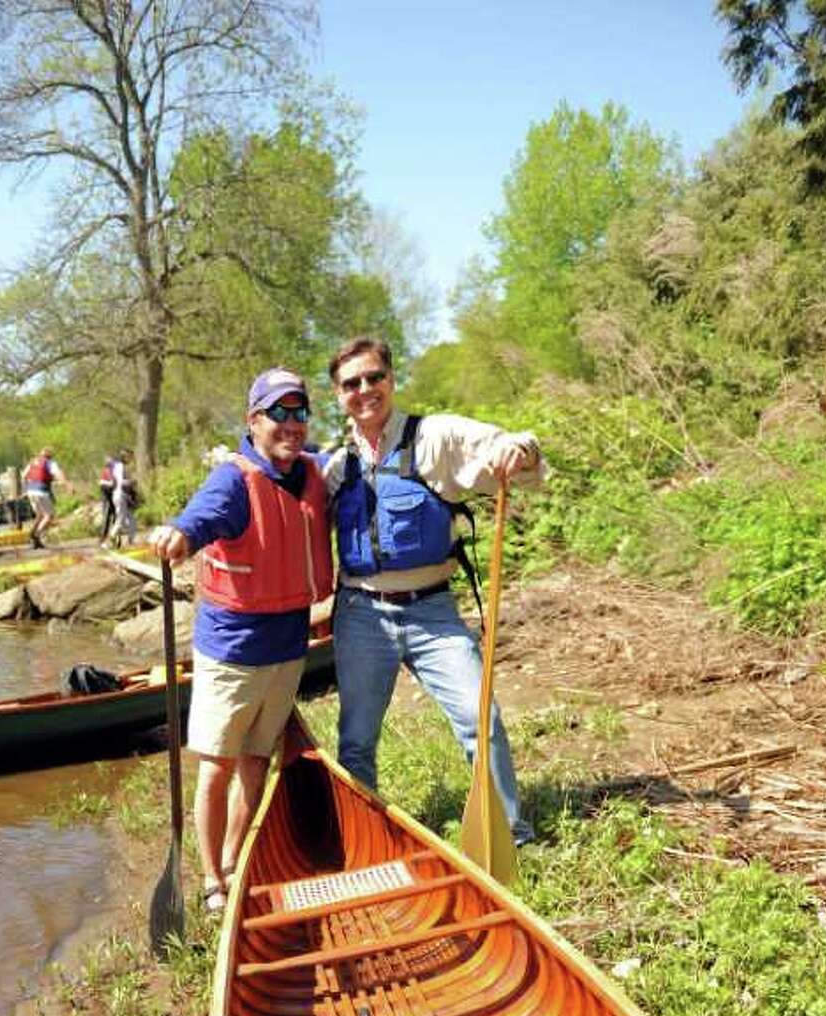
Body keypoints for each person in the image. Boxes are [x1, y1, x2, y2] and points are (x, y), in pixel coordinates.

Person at [322, 335, 543, 844]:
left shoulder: (436, 437)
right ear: (338, 395)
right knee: (355, 740)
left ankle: (510, 835)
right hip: (361, 614)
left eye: (375, 377)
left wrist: (520, 448)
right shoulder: (336, 468)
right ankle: (363, 838)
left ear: (392, 379)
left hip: (433, 613)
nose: (365, 389)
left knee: (480, 719)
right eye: (351, 383)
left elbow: (513, 450)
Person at [150, 368, 333, 914]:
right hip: (232, 651)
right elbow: (199, 519)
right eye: (278, 412)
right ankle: (210, 879)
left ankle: (233, 858)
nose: (291, 424)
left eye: (299, 413)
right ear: (253, 421)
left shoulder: (312, 472)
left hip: (288, 644)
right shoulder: (233, 480)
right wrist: (177, 534)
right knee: (217, 766)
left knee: (257, 759)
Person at [21, 446, 68, 549]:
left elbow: (24, 475)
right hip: (41, 492)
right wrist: (66, 484)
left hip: (31, 491)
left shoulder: (32, 462)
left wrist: (25, 490)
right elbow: (58, 473)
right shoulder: (49, 463)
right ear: (50, 456)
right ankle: (36, 535)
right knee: (49, 516)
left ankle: (32, 535)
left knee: (40, 515)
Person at [109, 452, 138, 548]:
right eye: (129, 457)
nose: (131, 459)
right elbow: (121, 482)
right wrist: (132, 481)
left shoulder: (121, 467)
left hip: (124, 495)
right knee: (121, 519)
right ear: (125, 457)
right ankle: (113, 535)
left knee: (132, 519)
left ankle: (130, 541)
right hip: (120, 495)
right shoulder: (120, 466)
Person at [97, 454, 116, 543]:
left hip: (113, 495)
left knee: (115, 516)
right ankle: (103, 537)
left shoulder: (113, 470)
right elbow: (102, 483)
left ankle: (112, 536)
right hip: (107, 495)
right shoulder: (106, 471)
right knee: (107, 516)